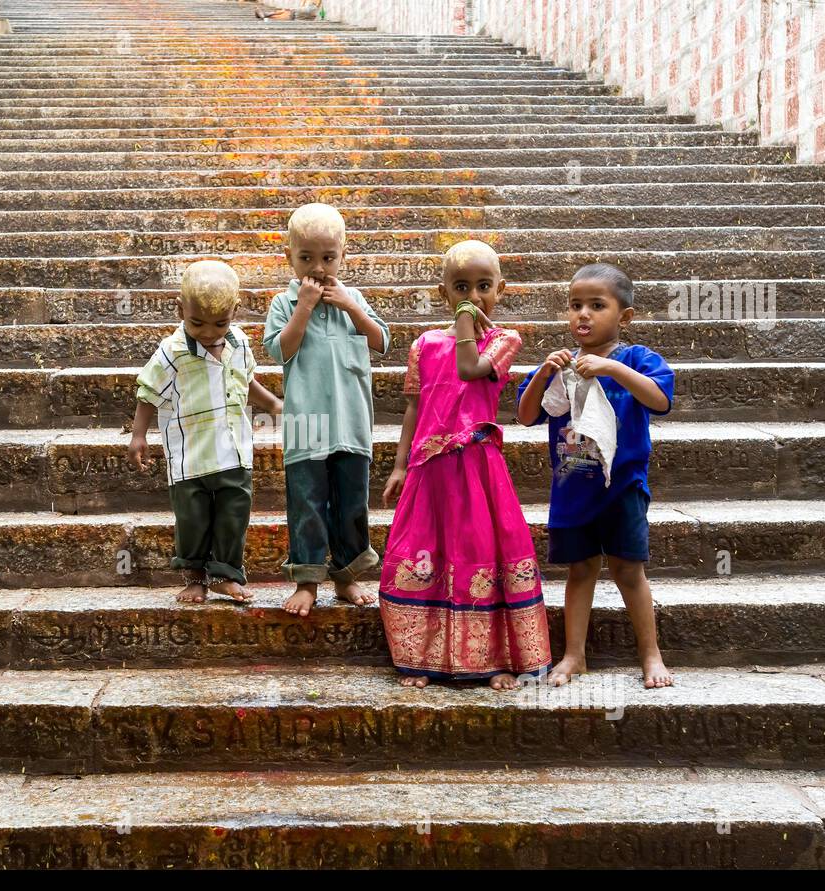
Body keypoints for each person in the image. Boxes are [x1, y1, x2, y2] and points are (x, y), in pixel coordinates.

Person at [380, 240, 551, 690]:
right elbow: (415, 410)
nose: (473, 297)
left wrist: (465, 321)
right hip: (429, 468)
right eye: (461, 288)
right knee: (425, 551)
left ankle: (492, 659)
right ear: (443, 292)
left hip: (477, 466)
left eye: (482, 286)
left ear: (500, 289)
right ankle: (421, 657)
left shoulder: (504, 340)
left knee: (481, 554)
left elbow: (470, 368)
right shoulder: (423, 343)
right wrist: (400, 465)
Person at [516, 263, 676, 689]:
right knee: (580, 570)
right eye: (575, 305)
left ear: (624, 317)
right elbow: (526, 414)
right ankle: (574, 655)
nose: (582, 314)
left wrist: (613, 370)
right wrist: (545, 374)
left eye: (596, 305)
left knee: (628, 570)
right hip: (573, 488)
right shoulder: (560, 364)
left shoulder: (638, 360)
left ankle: (651, 654)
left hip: (623, 486)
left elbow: (660, 400)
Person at [263, 203, 390, 616]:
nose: (317, 268)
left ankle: (347, 574)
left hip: (351, 421)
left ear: (343, 256)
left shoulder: (354, 299)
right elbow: (281, 349)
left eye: (327, 257)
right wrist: (303, 306)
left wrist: (351, 308)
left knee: (352, 500)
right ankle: (307, 579)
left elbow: (381, 341)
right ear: (289, 257)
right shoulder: (284, 303)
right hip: (306, 420)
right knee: (307, 501)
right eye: (306, 258)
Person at [130, 260, 283, 603]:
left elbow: (247, 381)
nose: (210, 332)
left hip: (232, 450)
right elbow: (148, 392)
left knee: (234, 514)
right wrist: (139, 435)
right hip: (190, 456)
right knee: (192, 519)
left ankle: (226, 575)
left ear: (235, 311)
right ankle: (196, 577)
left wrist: (273, 403)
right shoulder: (172, 352)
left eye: (220, 323)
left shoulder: (240, 343)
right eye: (197, 322)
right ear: (180, 309)